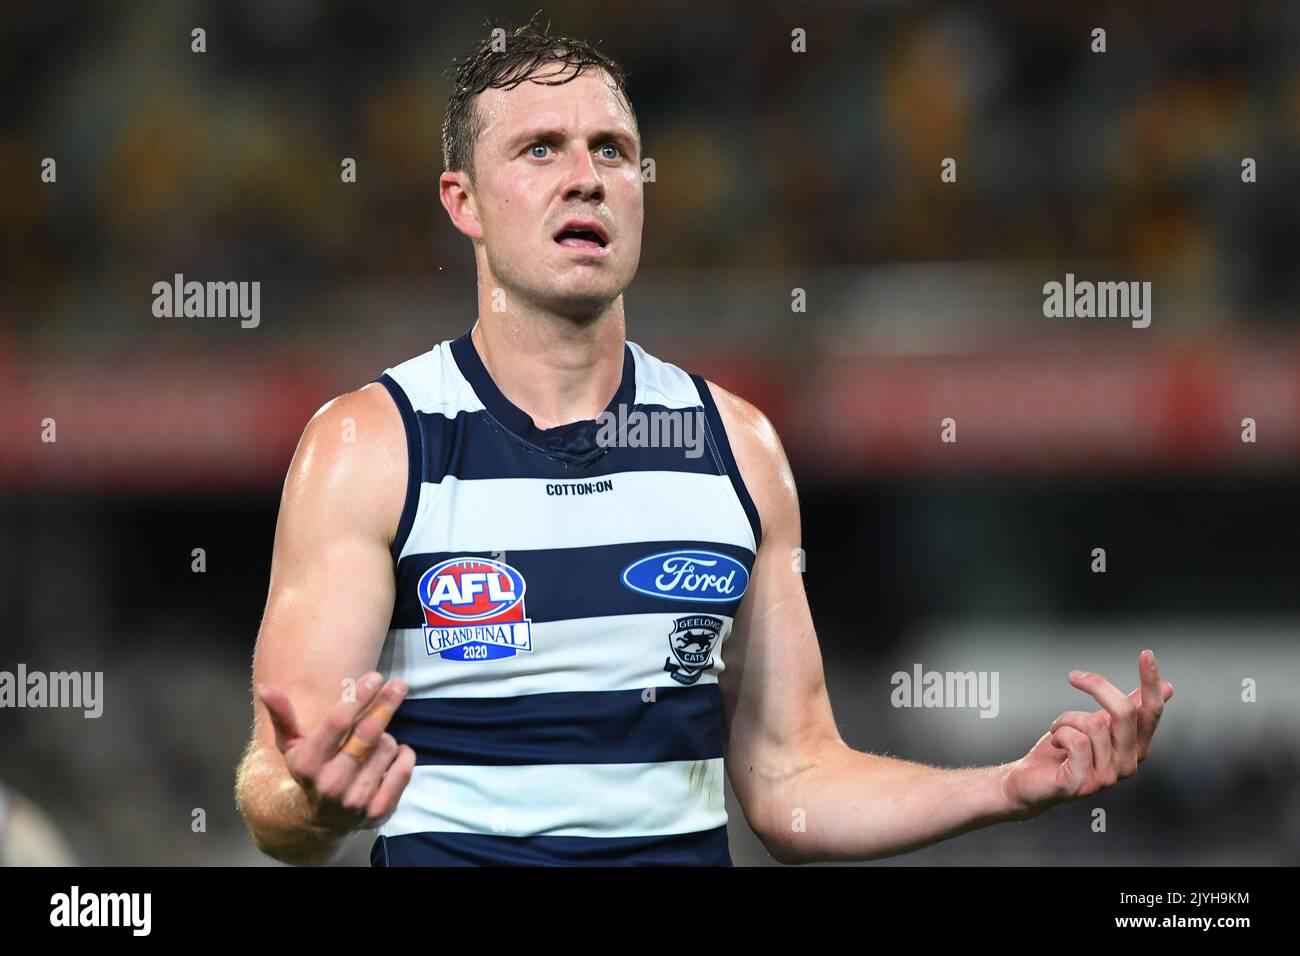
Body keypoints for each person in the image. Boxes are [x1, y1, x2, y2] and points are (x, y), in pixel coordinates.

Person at [234, 20, 1173, 866]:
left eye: (613, 149)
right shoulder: (369, 446)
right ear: (464, 202)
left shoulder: (737, 446)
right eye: (540, 150)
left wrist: (1004, 788)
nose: (586, 176)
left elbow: (792, 780)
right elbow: (274, 791)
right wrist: (315, 803)